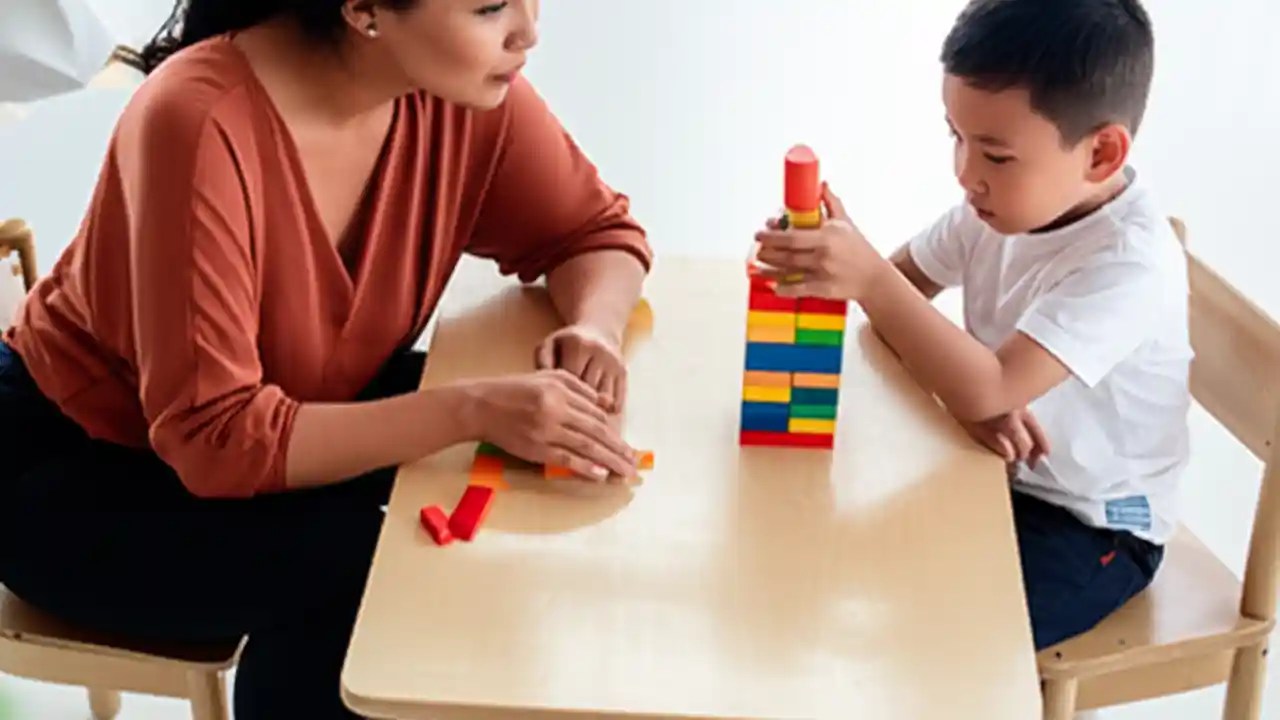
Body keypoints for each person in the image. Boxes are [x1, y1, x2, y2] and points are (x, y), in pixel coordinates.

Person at [0, 0, 651, 717]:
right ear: (365, 9)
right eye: (489, 6)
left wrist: (594, 328)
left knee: (489, 495)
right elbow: (213, 438)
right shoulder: (197, 122)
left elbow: (593, 231)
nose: (528, 29)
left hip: (289, 412)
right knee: (365, 576)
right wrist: (474, 408)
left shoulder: (458, 89)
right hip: (86, 474)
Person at [756, 0, 1188, 650]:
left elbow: (964, 363)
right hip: (992, 473)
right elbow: (898, 316)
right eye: (955, 137)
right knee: (825, 559)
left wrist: (872, 280)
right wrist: (965, 402)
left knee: (947, 646)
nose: (965, 174)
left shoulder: (1129, 264)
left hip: (1091, 524)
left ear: (1100, 153)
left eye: (996, 155)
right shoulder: (992, 211)